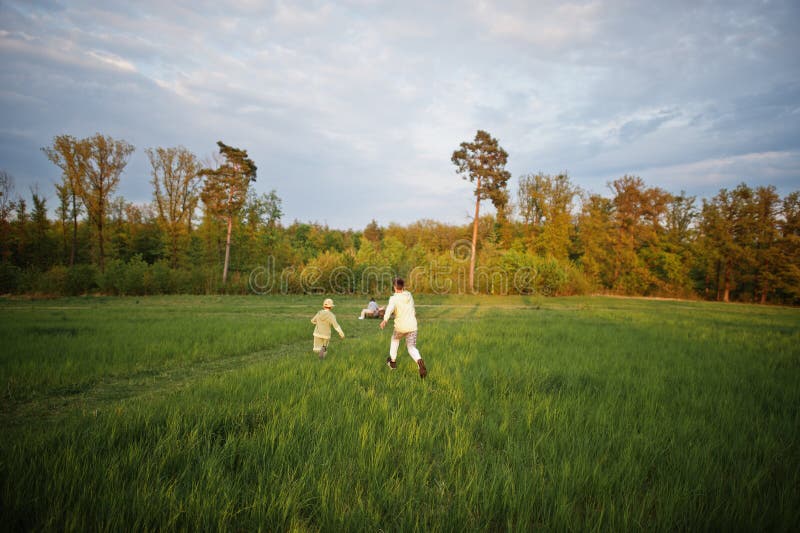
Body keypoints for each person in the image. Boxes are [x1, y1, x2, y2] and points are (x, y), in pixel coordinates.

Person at [380, 278, 427, 378]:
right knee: (411, 347)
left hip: (401, 327)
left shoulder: (394, 299)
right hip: (412, 326)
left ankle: (392, 361)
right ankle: (419, 361)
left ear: (394, 287)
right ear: (403, 286)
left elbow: (389, 309)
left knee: (395, 339)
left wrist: (385, 320)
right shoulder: (409, 295)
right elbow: (413, 308)